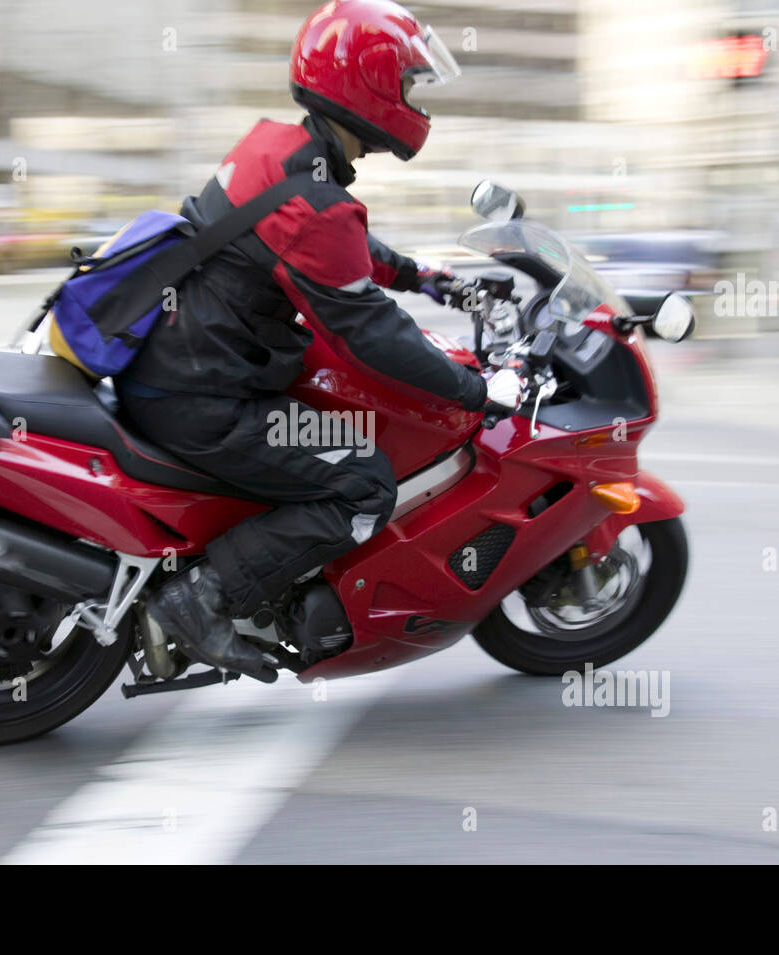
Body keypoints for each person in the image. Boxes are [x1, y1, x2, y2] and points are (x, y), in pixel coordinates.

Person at [120, 0, 521, 681]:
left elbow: (331, 244)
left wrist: (422, 275)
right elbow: (370, 333)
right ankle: (202, 597)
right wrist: (478, 390)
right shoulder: (321, 202)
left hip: (169, 363)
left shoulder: (275, 150)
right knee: (362, 478)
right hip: (206, 400)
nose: (413, 98)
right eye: (408, 83)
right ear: (367, 84)